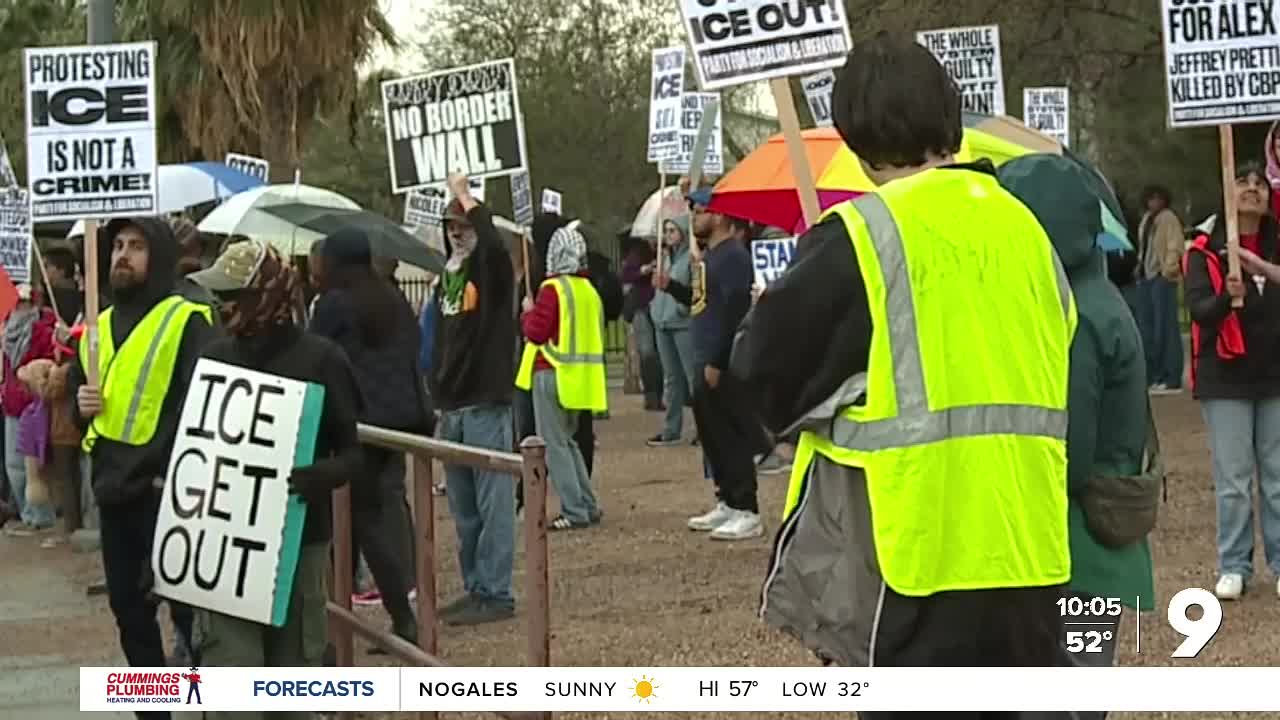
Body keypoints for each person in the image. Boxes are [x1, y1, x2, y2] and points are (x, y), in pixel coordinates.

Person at [738, 34, 1075, 678]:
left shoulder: (860, 236)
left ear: (854, 139)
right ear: (952, 120)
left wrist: (770, 313)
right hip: (1029, 547)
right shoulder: (1027, 229)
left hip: (913, 557)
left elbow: (765, 375)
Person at [1001, 155, 1156, 703]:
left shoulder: (1079, 318)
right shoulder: (1096, 298)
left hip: (1078, 548)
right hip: (1095, 550)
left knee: (1066, 702)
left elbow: (1070, 452)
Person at [186, 240, 362, 711]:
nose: (221, 306)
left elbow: (354, 453)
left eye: (231, 295)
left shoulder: (322, 360)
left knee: (293, 688)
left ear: (264, 295)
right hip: (224, 550)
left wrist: (320, 474)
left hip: (299, 545)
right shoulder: (214, 359)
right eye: (217, 295)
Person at [69, 217, 215, 717]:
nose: (121, 257)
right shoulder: (98, 324)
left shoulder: (186, 318)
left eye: (134, 247)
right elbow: (78, 399)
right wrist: (79, 402)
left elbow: (203, 400)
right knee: (129, 613)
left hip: (170, 489)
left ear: (157, 255)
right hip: (114, 490)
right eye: (117, 247)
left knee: (190, 613)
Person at [310, 229, 425, 647]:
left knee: (355, 521)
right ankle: (388, 613)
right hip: (399, 421)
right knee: (374, 514)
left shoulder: (334, 304)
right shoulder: (391, 298)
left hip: (357, 423)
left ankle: (369, 618)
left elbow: (318, 356)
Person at [1184, 163, 1280, 601]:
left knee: (1277, 476)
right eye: (1243, 182)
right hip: (1226, 376)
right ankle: (1234, 564)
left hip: (1275, 373)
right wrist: (1229, 296)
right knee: (1234, 478)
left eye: (1259, 184)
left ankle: (1279, 563)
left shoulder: (1278, 241)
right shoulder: (1206, 249)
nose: (1253, 190)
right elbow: (1200, 311)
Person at [429, 171, 518, 626]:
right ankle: (476, 586)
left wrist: (465, 196)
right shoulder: (444, 281)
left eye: (463, 226)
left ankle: (497, 591)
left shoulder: (494, 273)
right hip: (453, 405)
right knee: (464, 510)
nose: (456, 233)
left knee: (493, 501)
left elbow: (496, 247)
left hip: (485, 400)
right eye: (450, 227)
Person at [657, 190, 767, 541]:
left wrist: (718, 360)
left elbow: (734, 310)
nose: (694, 216)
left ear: (720, 216)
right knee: (713, 435)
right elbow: (702, 300)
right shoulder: (710, 257)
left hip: (723, 361)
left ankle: (746, 507)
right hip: (703, 353)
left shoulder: (733, 257)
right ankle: (727, 499)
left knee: (730, 435)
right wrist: (673, 287)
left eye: (700, 210)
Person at [516, 224, 608, 531]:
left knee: (555, 447)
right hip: (577, 378)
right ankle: (587, 503)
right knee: (568, 444)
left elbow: (536, 331)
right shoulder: (588, 291)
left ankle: (574, 510)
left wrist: (527, 312)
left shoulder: (552, 289)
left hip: (550, 371)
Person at [2, 284, 58, 537]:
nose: (20, 308)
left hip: (35, 406)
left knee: (36, 466)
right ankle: (27, 514)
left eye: (25, 303)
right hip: (12, 404)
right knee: (14, 465)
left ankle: (42, 516)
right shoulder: (5, 332)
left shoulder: (44, 330)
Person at [647, 216, 697, 447]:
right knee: (671, 378)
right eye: (665, 230)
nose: (668, 235)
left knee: (691, 376)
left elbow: (691, 290)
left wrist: (679, 308)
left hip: (682, 323)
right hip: (662, 322)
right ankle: (671, 428)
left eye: (672, 230)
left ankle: (703, 427)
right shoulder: (664, 258)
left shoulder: (690, 259)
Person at [1134, 185, 1186, 394]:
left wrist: (1168, 269)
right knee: (1149, 329)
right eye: (1151, 198)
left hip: (1161, 276)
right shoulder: (1147, 219)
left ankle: (1171, 376)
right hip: (1147, 276)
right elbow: (1143, 247)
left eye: (1158, 198)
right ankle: (1156, 374)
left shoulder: (1168, 218)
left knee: (1166, 328)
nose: (1154, 202)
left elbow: (1175, 245)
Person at [620, 234, 664, 411]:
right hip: (641, 306)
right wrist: (643, 270)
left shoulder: (666, 252)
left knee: (660, 354)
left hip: (660, 305)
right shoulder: (638, 253)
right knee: (647, 352)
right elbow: (626, 275)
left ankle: (658, 395)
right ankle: (651, 395)